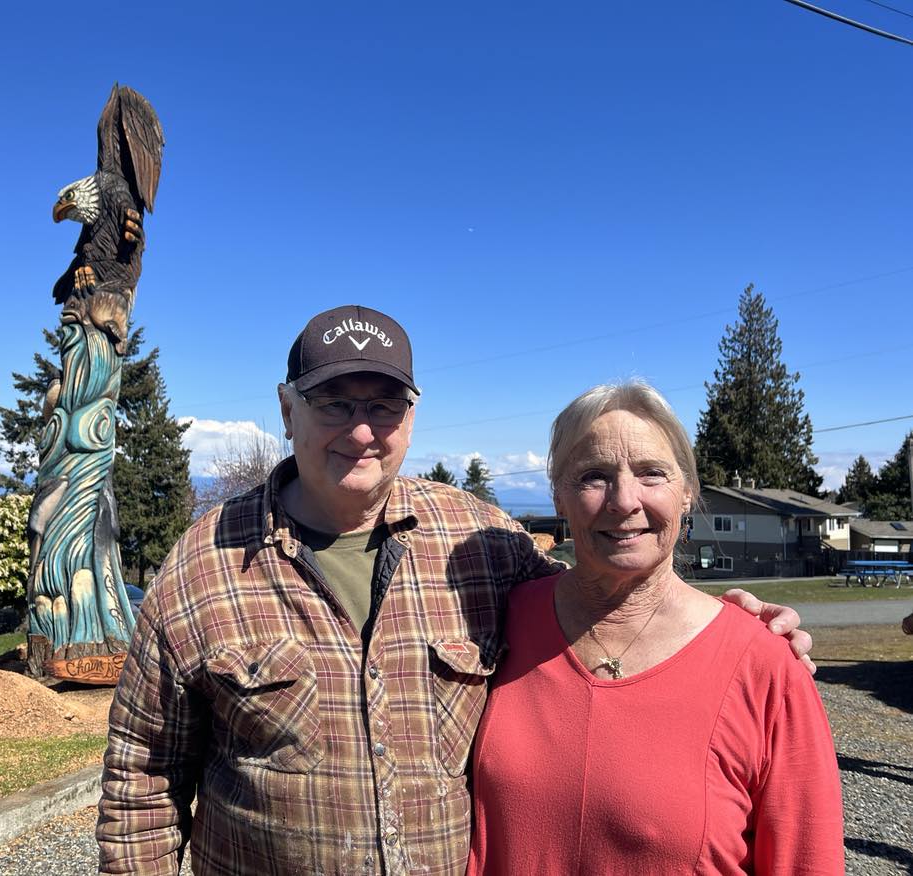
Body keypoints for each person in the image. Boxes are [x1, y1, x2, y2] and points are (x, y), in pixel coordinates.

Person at [97, 306, 811, 876]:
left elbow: (606, 594)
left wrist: (729, 626)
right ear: (287, 411)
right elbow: (141, 785)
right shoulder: (201, 567)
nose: (363, 431)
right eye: (334, 404)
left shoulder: (482, 544)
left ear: (412, 416)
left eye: (385, 407)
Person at [466, 382, 843, 875]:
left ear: (687, 492)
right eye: (594, 477)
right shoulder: (495, 622)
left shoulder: (764, 664)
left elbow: (805, 861)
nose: (624, 501)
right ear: (559, 496)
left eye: (651, 474)